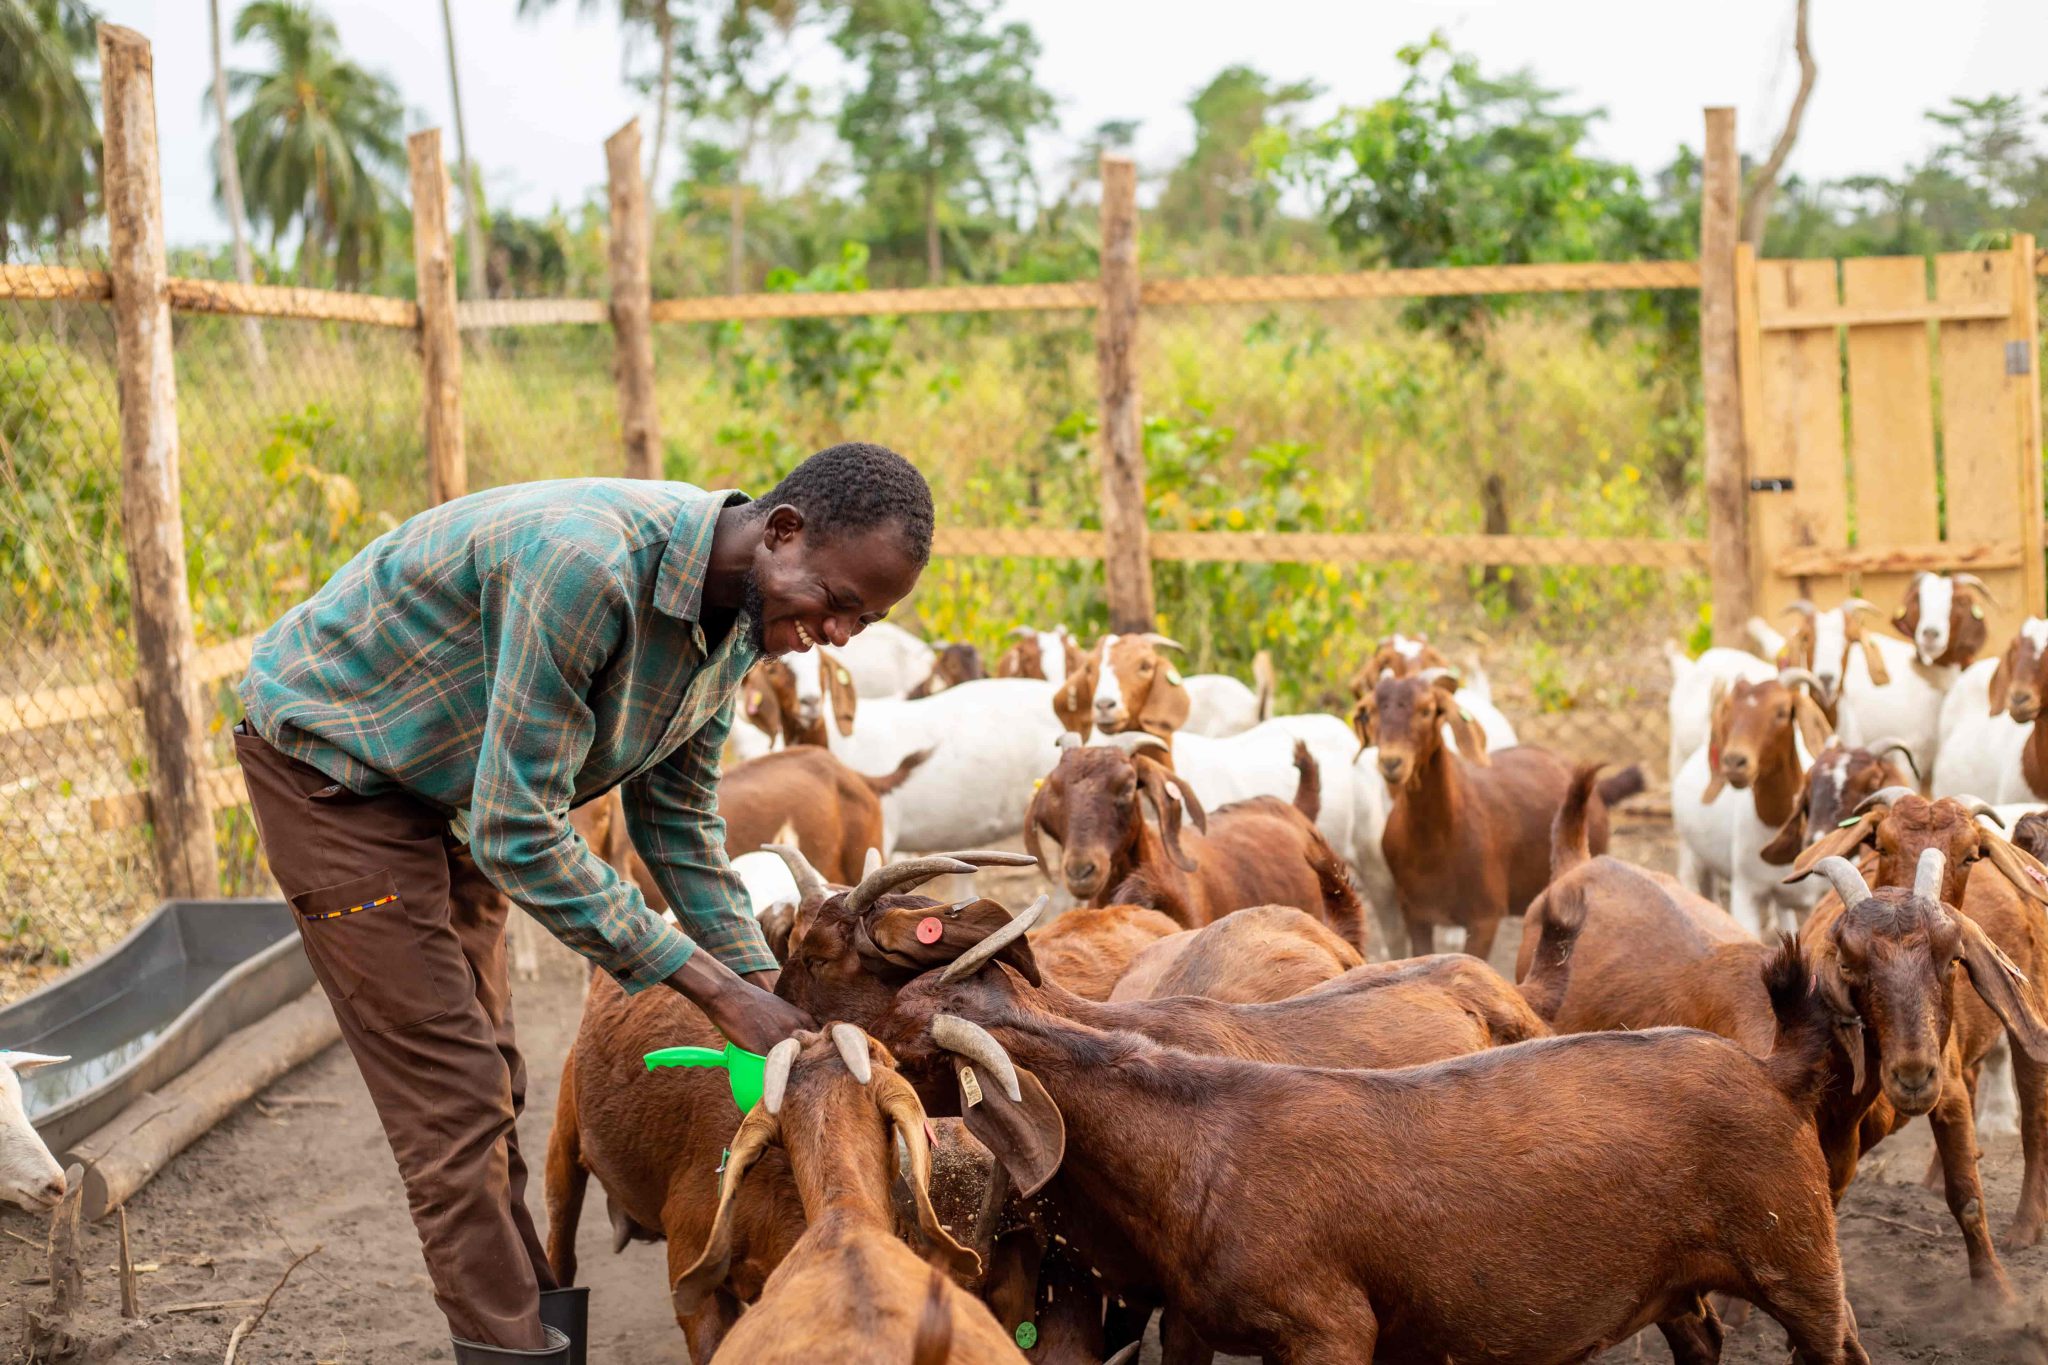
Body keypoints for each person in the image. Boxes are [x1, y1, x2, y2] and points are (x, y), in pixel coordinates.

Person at [231, 442, 933, 1363]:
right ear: (784, 531)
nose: (839, 634)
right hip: (338, 775)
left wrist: (770, 984)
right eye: (838, 602)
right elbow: (518, 833)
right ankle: (518, 1349)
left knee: (493, 1076)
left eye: (863, 621)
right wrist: (719, 994)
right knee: (451, 1107)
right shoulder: (588, 568)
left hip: (455, 782)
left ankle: (537, 1336)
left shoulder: (735, 617)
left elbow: (677, 818)